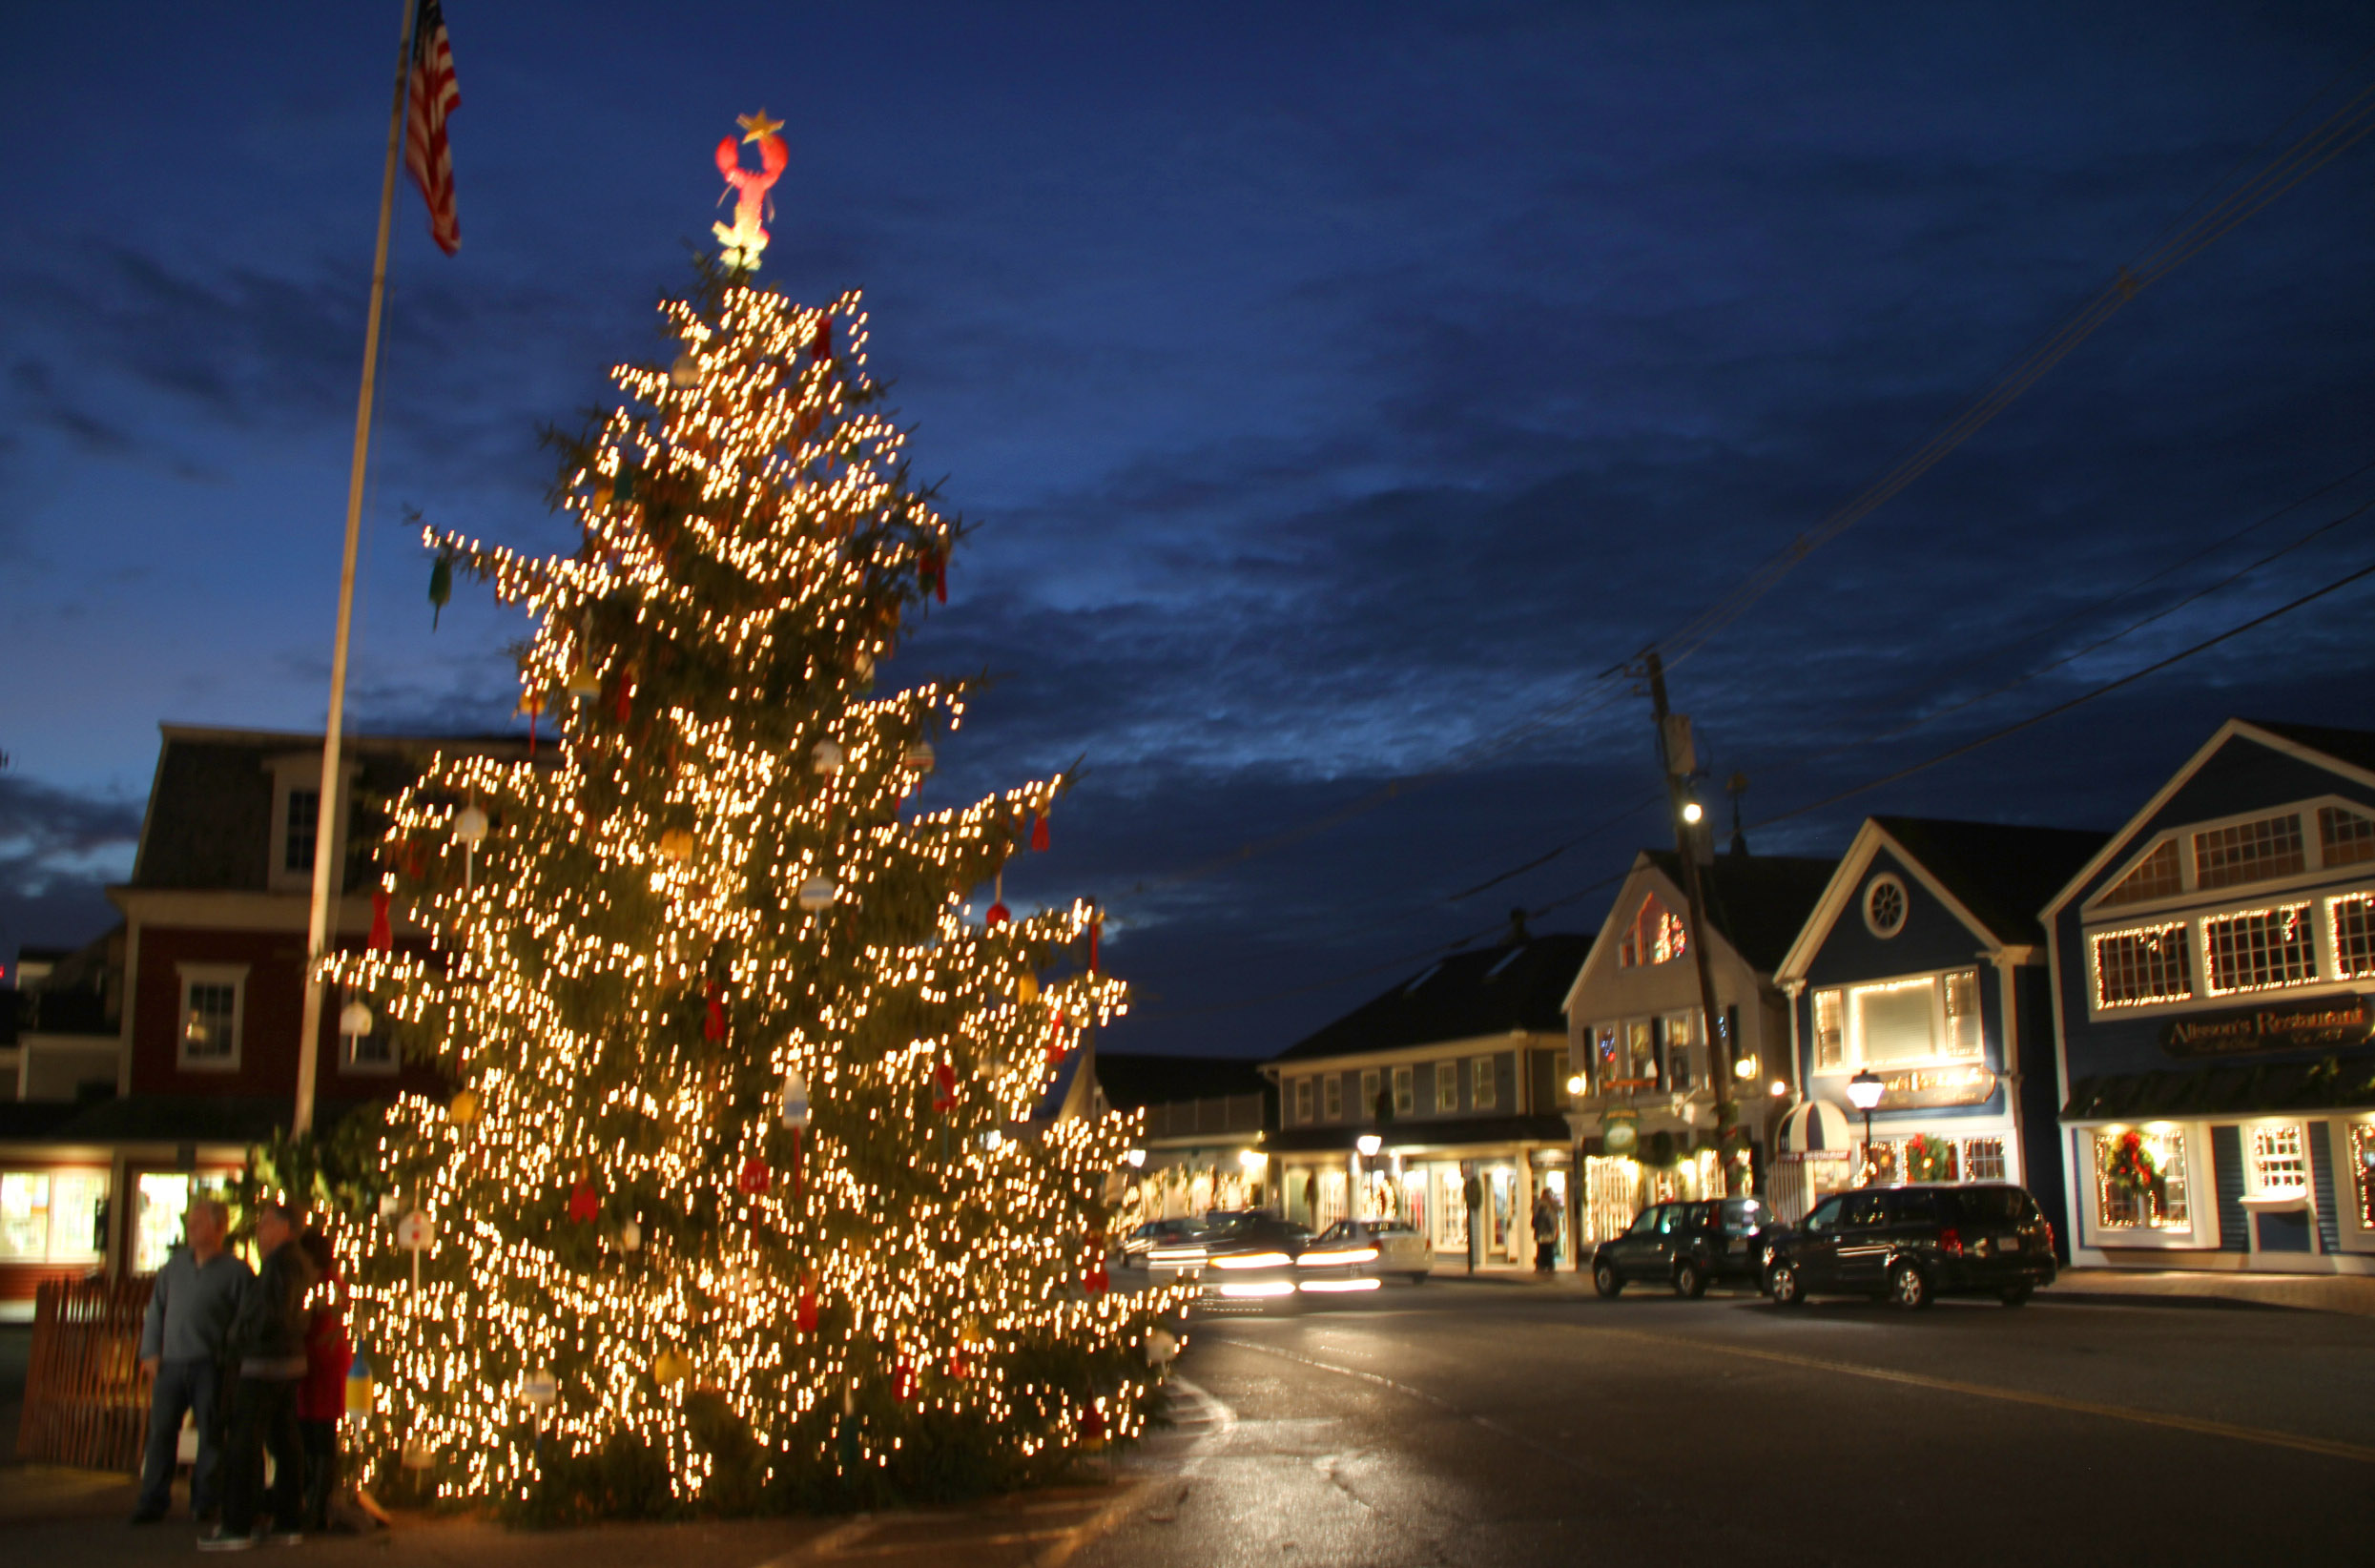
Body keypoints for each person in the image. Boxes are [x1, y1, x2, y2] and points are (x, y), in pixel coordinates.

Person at [201, 1201, 318, 1552]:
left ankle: (237, 1524)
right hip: (283, 1361)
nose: (259, 1230)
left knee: (244, 1441)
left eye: (266, 1223)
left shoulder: (282, 1266)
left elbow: (270, 1314)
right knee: (284, 1439)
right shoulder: (291, 1265)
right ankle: (286, 1519)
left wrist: (240, 1339)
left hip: (265, 1362)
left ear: (285, 1228)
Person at [131, 1197, 253, 1526]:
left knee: (211, 1434)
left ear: (218, 1227)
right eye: (189, 1223)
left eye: (198, 1223)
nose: (191, 1229)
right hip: (171, 1362)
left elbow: (244, 1318)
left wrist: (227, 1355)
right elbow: (156, 1310)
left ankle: (205, 1500)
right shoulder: (174, 1268)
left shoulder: (235, 1272)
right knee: (161, 1433)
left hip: (208, 1364)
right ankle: (153, 1498)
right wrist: (150, 1352)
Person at [294, 1230, 353, 1534]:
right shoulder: (329, 1284)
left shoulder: (323, 1286)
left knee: (319, 1438)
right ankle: (313, 1503)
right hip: (319, 1366)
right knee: (316, 1436)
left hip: (321, 1368)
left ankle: (315, 1507)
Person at [1532, 1187, 1561, 1275]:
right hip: (1543, 1231)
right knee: (1544, 1249)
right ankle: (1544, 1265)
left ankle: (1546, 1265)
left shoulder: (1551, 1205)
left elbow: (1558, 1211)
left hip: (1547, 1232)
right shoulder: (1541, 1205)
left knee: (1547, 1249)